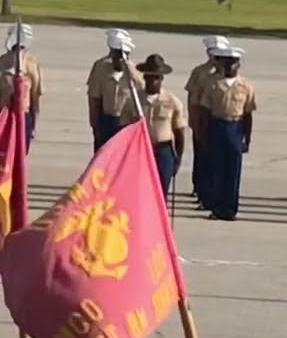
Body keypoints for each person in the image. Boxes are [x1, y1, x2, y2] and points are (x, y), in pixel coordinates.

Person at [199, 46, 255, 221]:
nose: (230, 66)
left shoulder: (245, 86)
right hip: (217, 125)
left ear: (239, 65)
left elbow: (248, 114)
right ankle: (217, 208)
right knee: (217, 169)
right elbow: (205, 111)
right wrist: (204, 134)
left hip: (235, 127)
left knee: (233, 170)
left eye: (233, 63)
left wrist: (247, 138)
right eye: (227, 63)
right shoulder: (213, 84)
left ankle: (230, 208)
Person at [124, 54, 187, 198]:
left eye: (156, 77)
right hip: (140, 150)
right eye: (149, 77)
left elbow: (179, 133)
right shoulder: (134, 100)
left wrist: (177, 159)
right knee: (139, 190)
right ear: (144, 77)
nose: (152, 81)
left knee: (160, 190)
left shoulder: (172, 102)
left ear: (162, 78)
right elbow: (125, 129)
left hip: (163, 151)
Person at [0, 23, 42, 150]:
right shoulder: (2, 63)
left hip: (23, 116)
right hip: (3, 116)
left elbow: (35, 99)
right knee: (3, 153)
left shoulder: (32, 65)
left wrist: (34, 125)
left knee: (20, 152)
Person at [86, 28, 140, 151]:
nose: (120, 60)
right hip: (106, 119)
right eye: (116, 55)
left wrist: (131, 73)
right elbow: (94, 97)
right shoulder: (100, 67)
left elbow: (142, 93)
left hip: (127, 121)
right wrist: (95, 125)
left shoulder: (135, 71)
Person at [184, 36, 221, 206]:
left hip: (217, 117)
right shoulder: (199, 72)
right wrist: (193, 120)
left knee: (215, 158)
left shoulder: (226, 73)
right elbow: (192, 98)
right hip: (201, 116)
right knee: (201, 155)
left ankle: (214, 190)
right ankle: (199, 187)